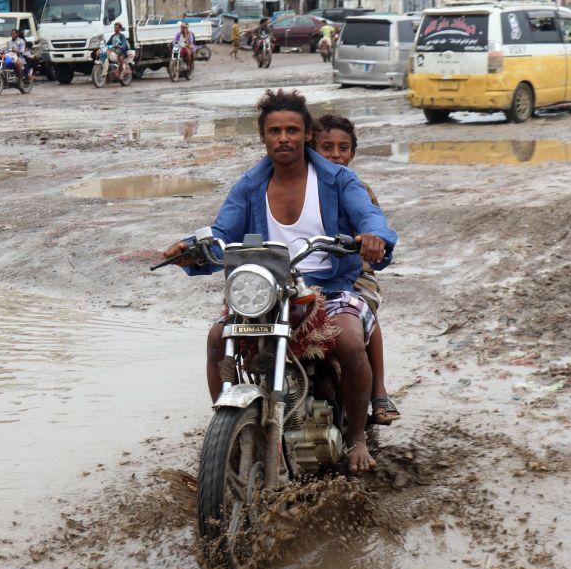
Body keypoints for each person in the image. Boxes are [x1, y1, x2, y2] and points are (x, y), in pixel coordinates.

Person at [159, 89, 398, 474]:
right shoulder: (249, 187)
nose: (282, 138)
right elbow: (221, 232)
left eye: (291, 130)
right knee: (217, 339)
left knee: (351, 341)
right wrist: (191, 248)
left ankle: (356, 437)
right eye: (274, 131)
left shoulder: (339, 180)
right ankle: (225, 431)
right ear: (263, 136)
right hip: (268, 287)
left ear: (305, 135)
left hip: (331, 286)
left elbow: (370, 217)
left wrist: (373, 238)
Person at [311, 114, 399, 425]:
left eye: (343, 148)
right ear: (311, 148)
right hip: (305, 273)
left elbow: (373, 221)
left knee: (364, 313)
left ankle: (379, 389)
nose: (335, 154)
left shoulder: (357, 188)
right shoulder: (299, 184)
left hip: (356, 272)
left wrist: (372, 242)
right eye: (326, 147)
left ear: (352, 153)